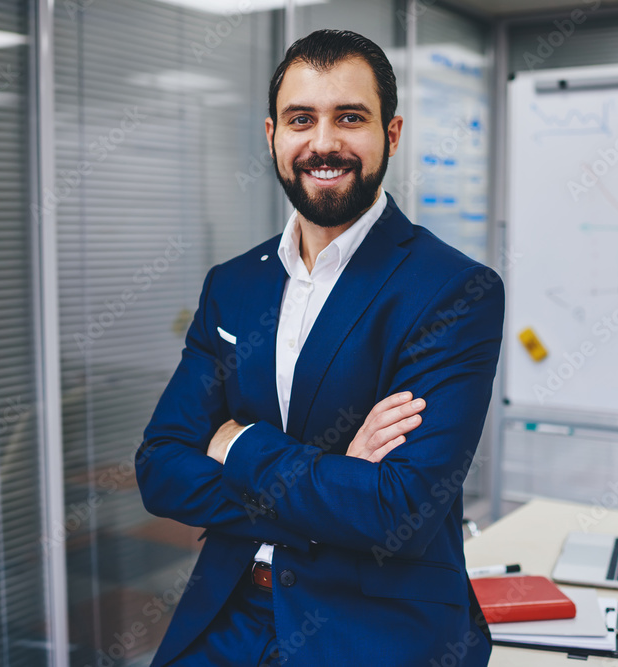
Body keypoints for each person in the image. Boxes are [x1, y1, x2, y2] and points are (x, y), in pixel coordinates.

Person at [135, 28, 503, 667]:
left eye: (350, 118)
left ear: (390, 134)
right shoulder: (233, 285)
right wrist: (337, 482)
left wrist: (238, 445)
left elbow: (398, 511)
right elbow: (161, 469)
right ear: (273, 134)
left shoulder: (453, 290)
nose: (324, 143)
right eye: (302, 119)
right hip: (229, 615)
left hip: (374, 627)